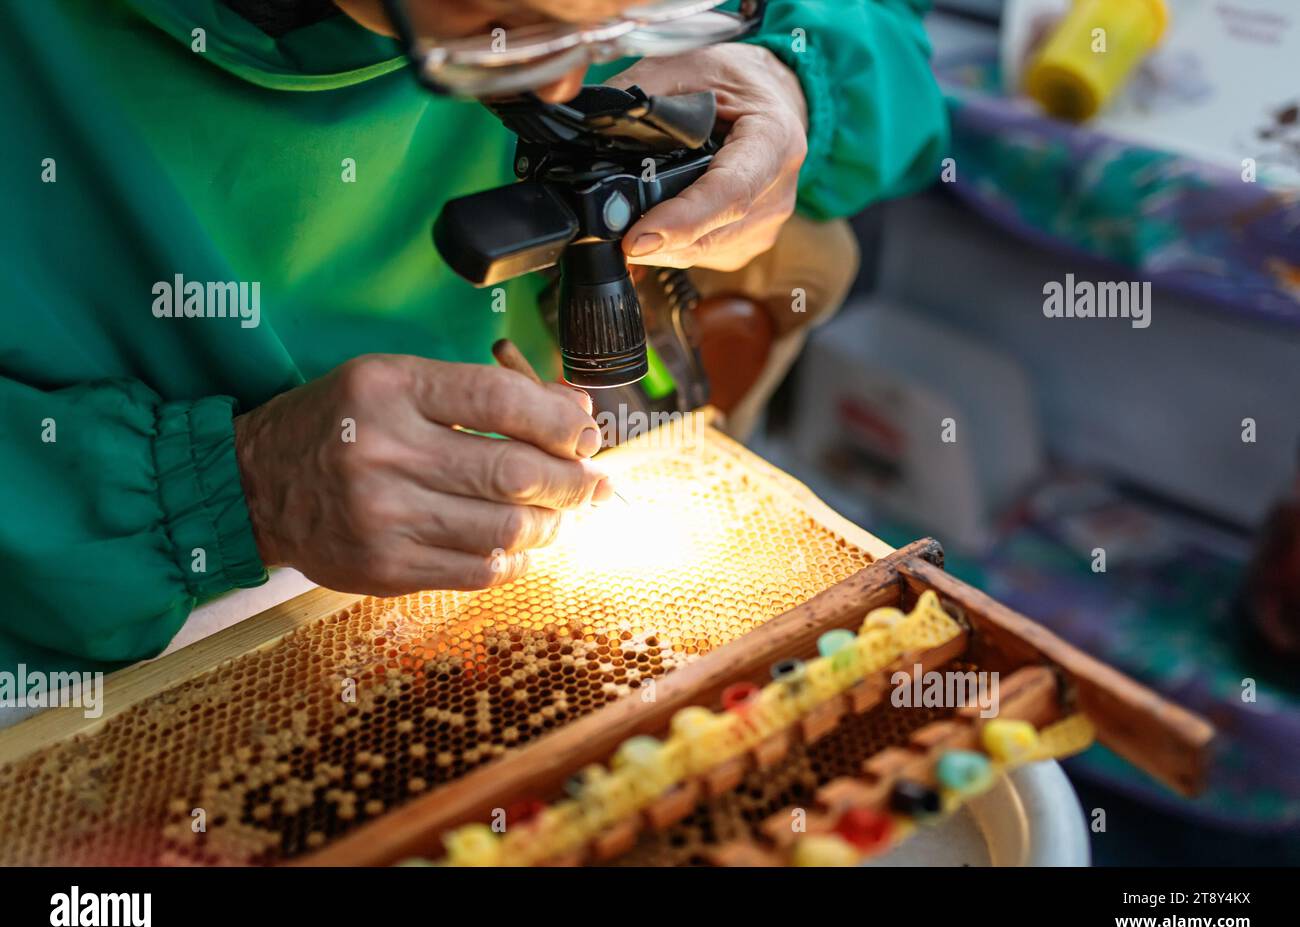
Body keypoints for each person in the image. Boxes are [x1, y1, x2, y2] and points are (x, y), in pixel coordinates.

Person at [0, 0, 948, 674]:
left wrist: (789, 76)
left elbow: (890, 38)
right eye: (512, 26)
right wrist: (224, 491)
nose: (575, 82)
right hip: (127, 612)